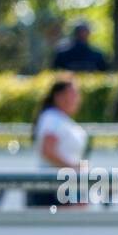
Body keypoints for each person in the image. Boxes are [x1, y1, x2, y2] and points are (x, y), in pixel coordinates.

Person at [30, 76, 88, 208]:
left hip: (64, 186)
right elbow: (47, 151)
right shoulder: (52, 118)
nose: (75, 98)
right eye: (71, 94)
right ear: (58, 96)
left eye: (76, 94)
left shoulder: (60, 119)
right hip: (53, 188)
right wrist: (73, 168)